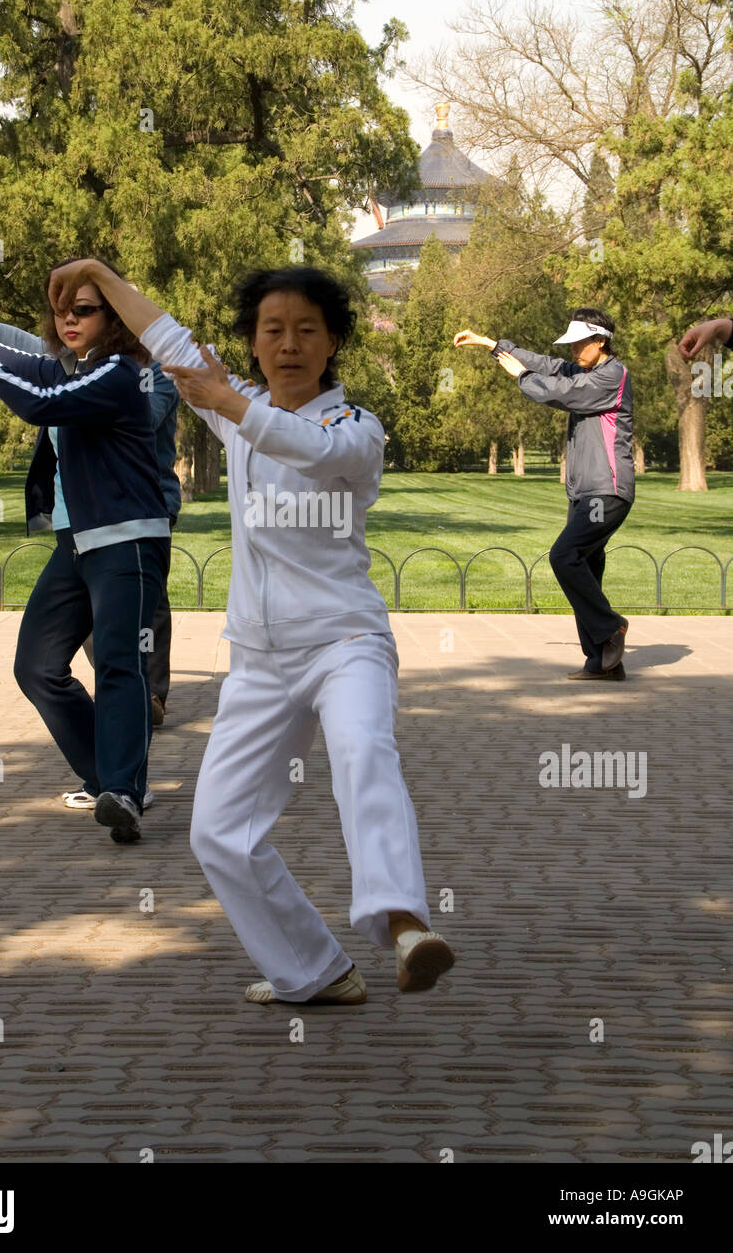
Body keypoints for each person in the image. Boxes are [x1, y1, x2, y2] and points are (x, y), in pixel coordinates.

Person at [43, 257, 455, 1006]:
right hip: (261, 663)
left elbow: (314, 451)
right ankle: (315, 971)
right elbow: (165, 334)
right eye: (273, 330)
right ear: (255, 342)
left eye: (307, 330)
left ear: (333, 344)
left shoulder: (354, 427)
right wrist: (102, 275)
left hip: (345, 644)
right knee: (219, 833)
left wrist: (230, 402)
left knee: (364, 751)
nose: (289, 342)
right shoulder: (236, 409)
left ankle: (404, 925)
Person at [0, 261, 171, 843]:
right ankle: (112, 780)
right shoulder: (77, 366)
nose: (68, 319)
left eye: (84, 310)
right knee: (37, 665)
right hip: (78, 544)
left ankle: (124, 789)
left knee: (119, 665)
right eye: (61, 310)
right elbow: (36, 365)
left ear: (115, 317)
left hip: (128, 540)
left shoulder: (121, 375)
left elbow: (37, 400)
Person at [454, 309, 634, 680]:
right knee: (589, 568)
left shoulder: (611, 375)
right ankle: (602, 663)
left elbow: (562, 392)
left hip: (607, 492)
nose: (572, 351)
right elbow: (546, 365)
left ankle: (611, 627)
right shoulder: (584, 368)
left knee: (564, 556)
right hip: (584, 491)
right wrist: (491, 344)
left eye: (579, 343)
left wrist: (521, 378)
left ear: (600, 341)